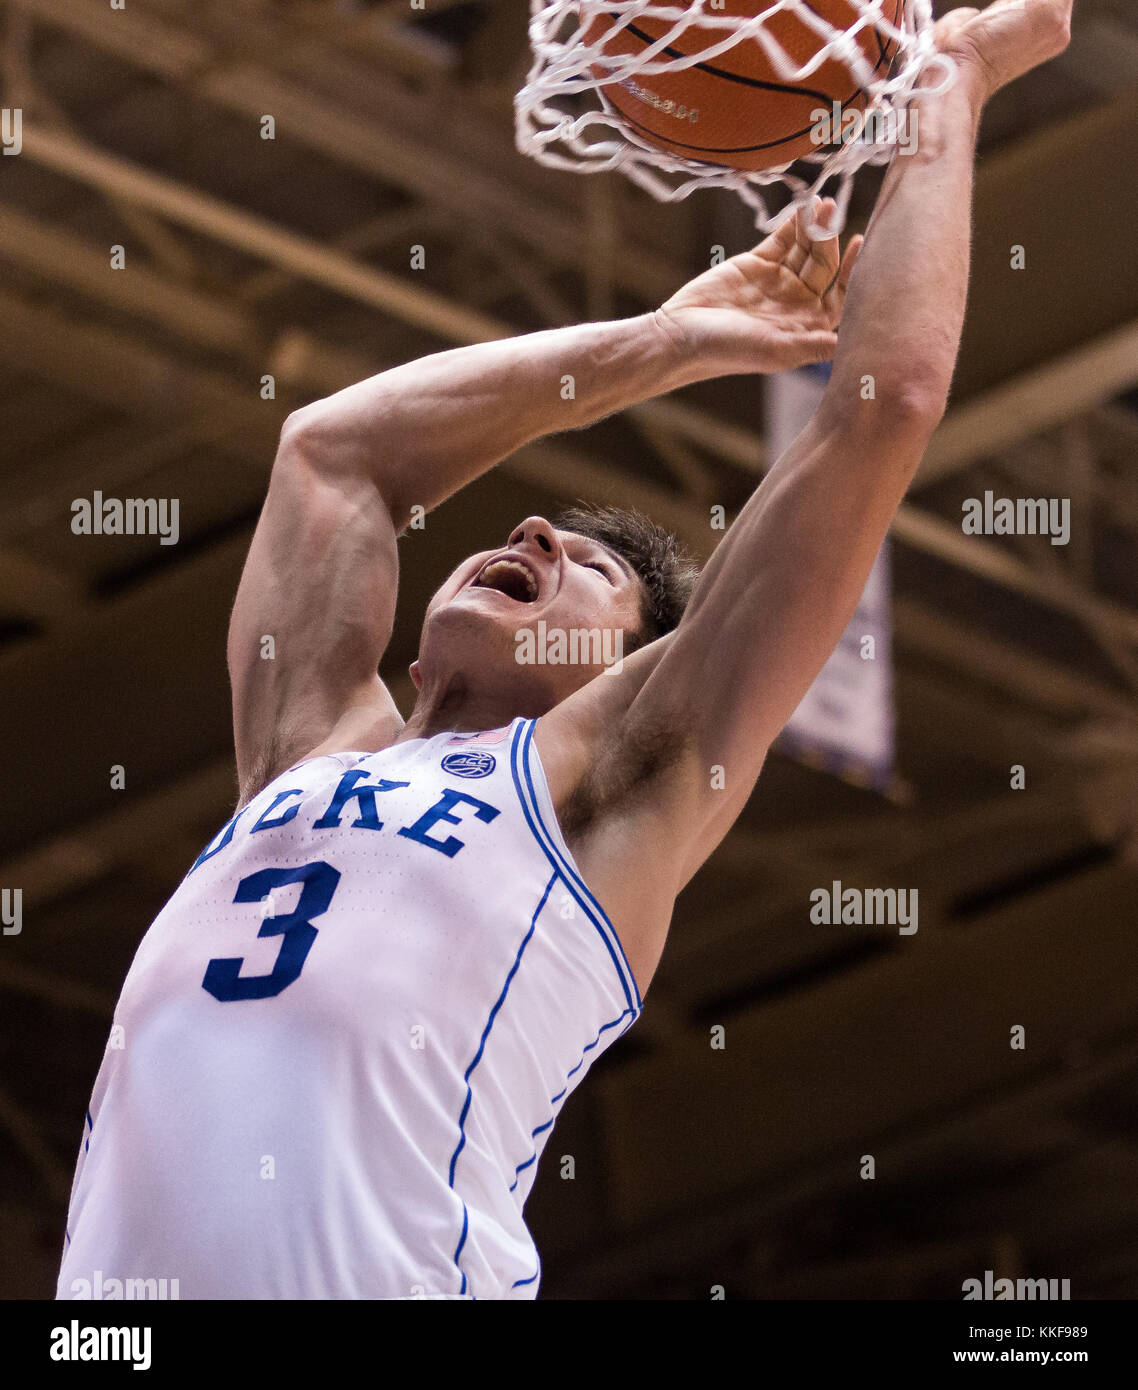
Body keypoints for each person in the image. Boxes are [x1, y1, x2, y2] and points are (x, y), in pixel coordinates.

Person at [57, 0, 1073, 1300]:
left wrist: (946, 85)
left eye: (588, 567)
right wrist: (667, 342)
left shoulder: (610, 785)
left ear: (625, 677)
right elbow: (331, 454)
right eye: (540, 530)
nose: (533, 524)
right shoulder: (303, 754)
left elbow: (881, 411)